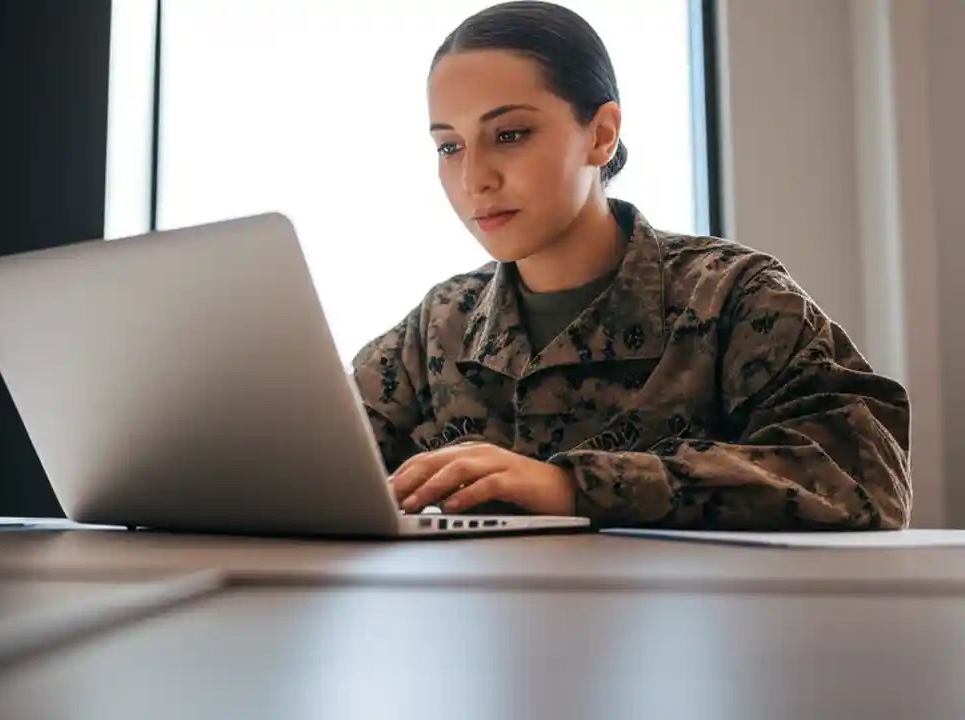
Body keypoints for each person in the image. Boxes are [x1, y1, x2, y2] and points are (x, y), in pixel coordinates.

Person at [350, 1, 911, 530]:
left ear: (600, 134)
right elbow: (302, 469)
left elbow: (863, 478)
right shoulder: (439, 328)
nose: (475, 179)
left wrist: (574, 488)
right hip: (471, 628)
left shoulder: (732, 297)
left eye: (510, 134)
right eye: (450, 147)